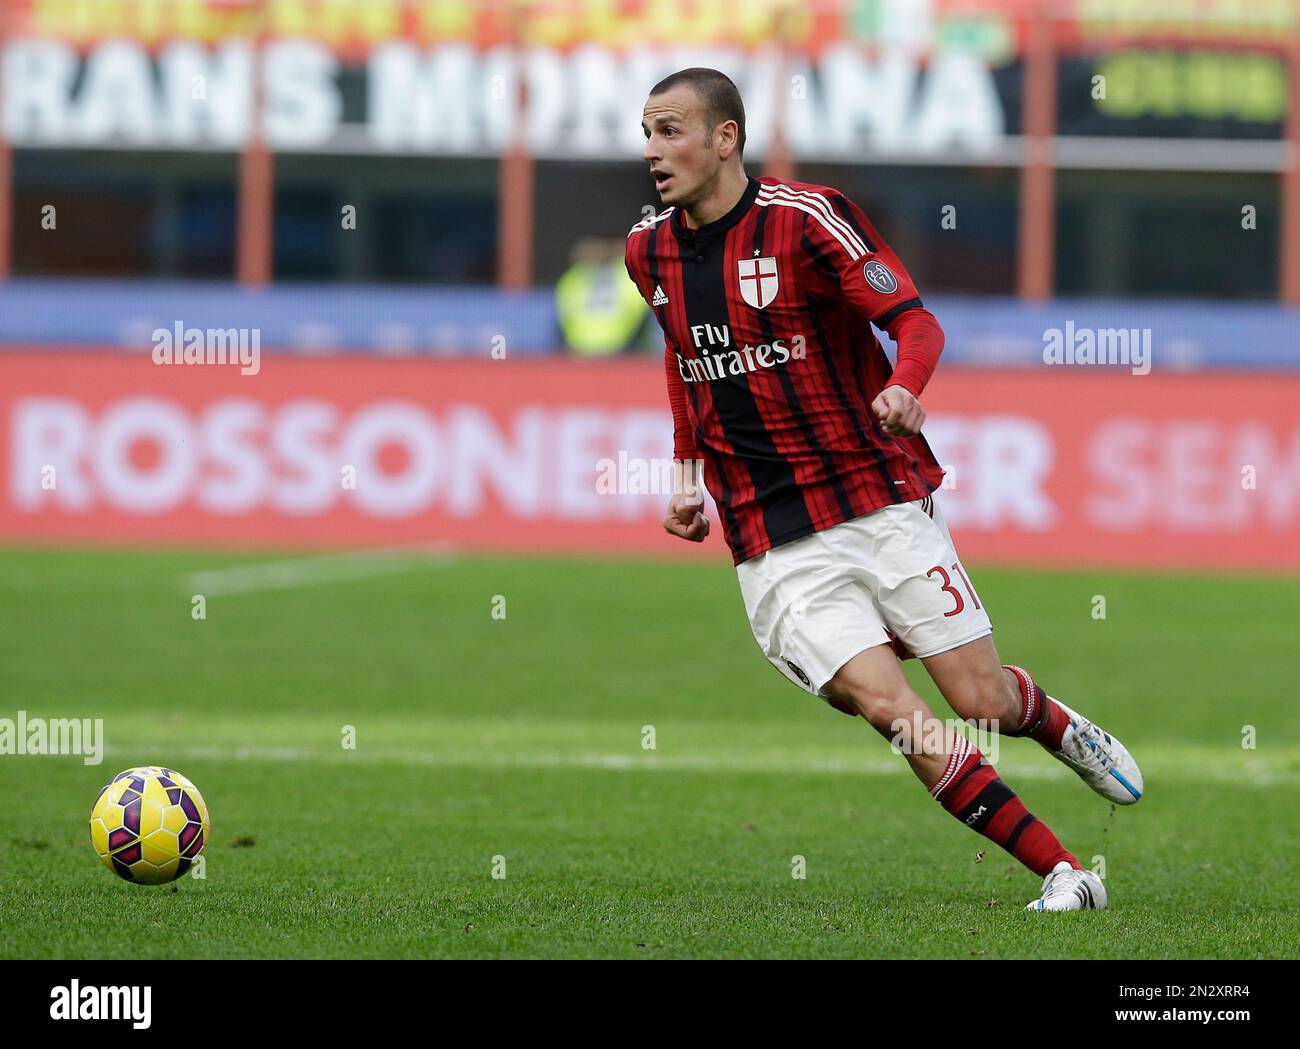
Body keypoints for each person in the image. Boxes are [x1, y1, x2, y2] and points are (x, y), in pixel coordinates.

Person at [624, 67, 1143, 912]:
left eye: (670, 128)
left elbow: (915, 319)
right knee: (890, 709)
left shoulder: (805, 221)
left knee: (980, 700)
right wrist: (687, 480)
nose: (653, 149)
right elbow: (687, 372)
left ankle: (1049, 720)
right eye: (646, 131)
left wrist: (908, 384)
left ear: (726, 138)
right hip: (770, 539)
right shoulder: (646, 251)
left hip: (875, 497)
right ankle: (1064, 871)